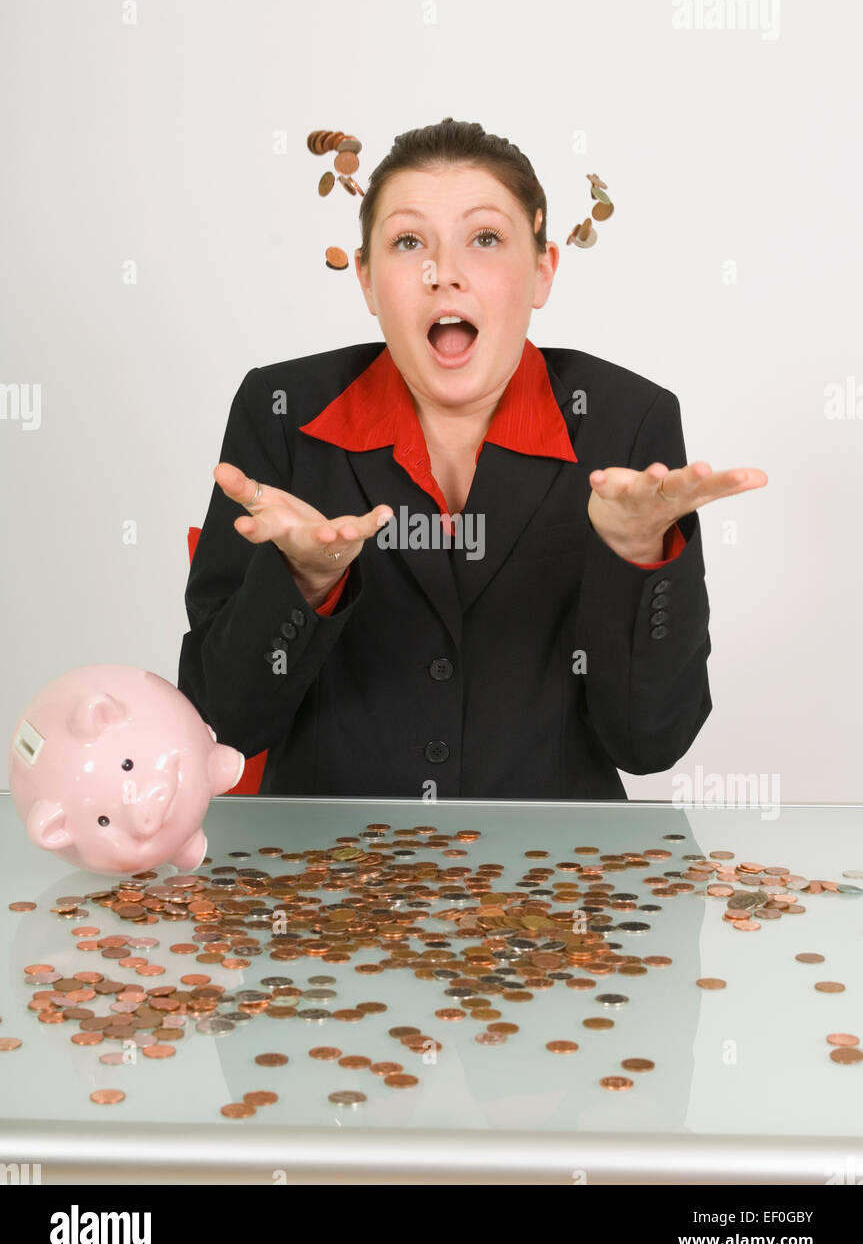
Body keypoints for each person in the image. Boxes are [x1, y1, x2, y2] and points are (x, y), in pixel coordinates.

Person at [177, 117, 767, 800]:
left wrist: (636, 553)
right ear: (366, 280)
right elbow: (221, 724)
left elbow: (648, 743)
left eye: (484, 239)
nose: (443, 274)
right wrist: (303, 582)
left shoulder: (627, 421)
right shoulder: (279, 410)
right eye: (407, 242)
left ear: (542, 271)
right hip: (330, 883)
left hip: (557, 887)